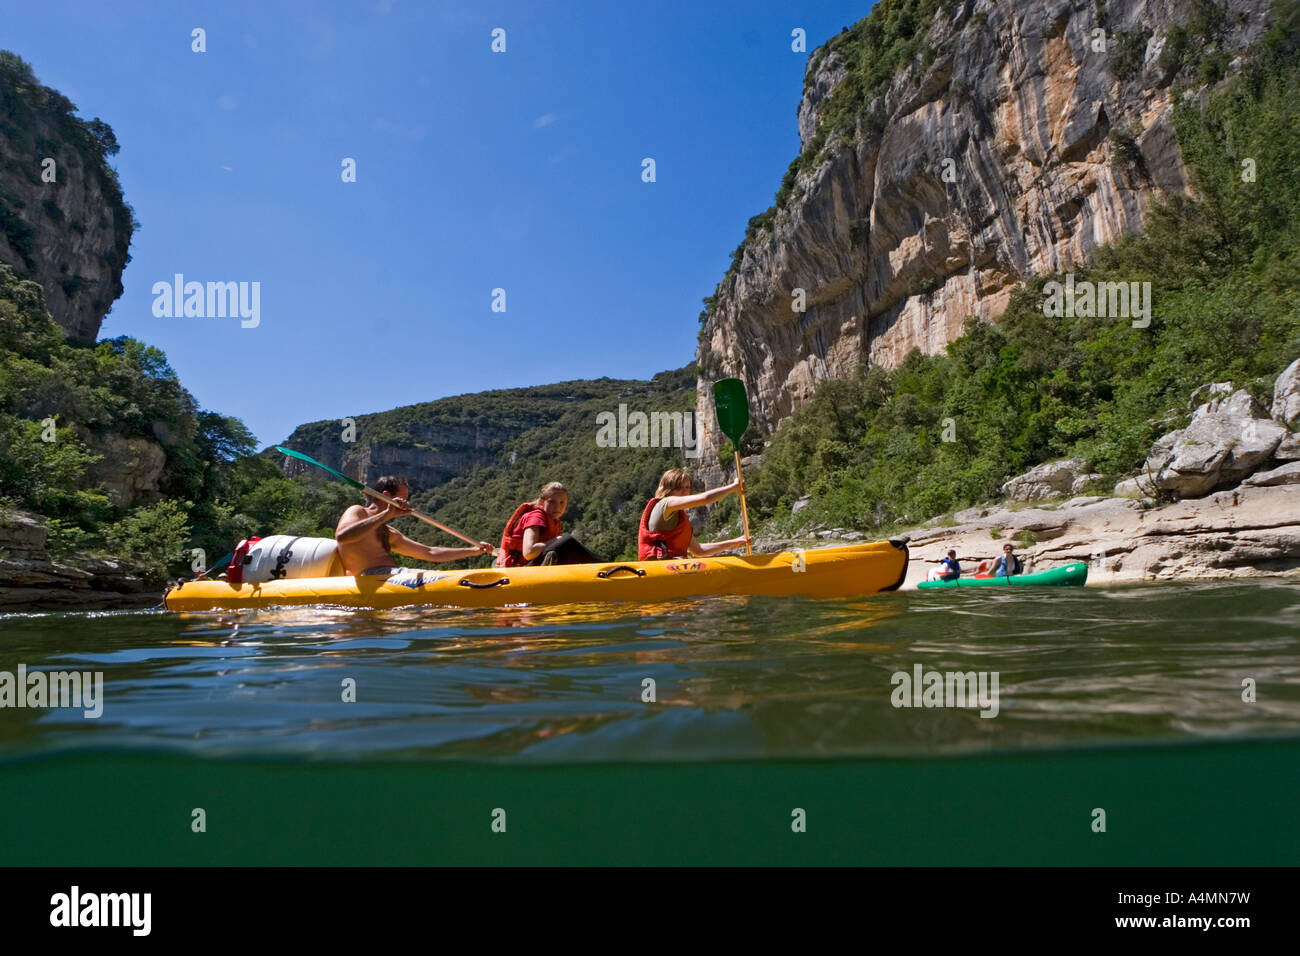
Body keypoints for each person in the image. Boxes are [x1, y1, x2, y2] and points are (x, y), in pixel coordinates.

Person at [335, 475, 492, 576]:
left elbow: (429, 552)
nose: (406, 504)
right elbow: (343, 537)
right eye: (402, 499)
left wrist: (473, 551)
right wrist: (386, 515)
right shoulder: (358, 511)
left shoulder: (388, 532)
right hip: (370, 577)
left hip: (391, 576)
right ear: (386, 496)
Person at [638, 468, 752, 560]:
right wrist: (733, 487)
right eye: (678, 488)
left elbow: (699, 550)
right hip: (659, 568)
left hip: (672, 568)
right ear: (668, 490)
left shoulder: (678, 517)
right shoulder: (666, 503)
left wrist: (736, 542)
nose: (685, 492)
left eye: (687, 487)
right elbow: (706, 498)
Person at [497, 482, 602, 567]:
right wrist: (556, 541)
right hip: (518, 570)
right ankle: (605, 567)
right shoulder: (536, 516)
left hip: (531, 565)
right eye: (552, 502)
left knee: (563, 546)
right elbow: (529, 552)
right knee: (566, 541)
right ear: (542, 502)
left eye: (562, 502)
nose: (557, 507)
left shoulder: (554, 520)